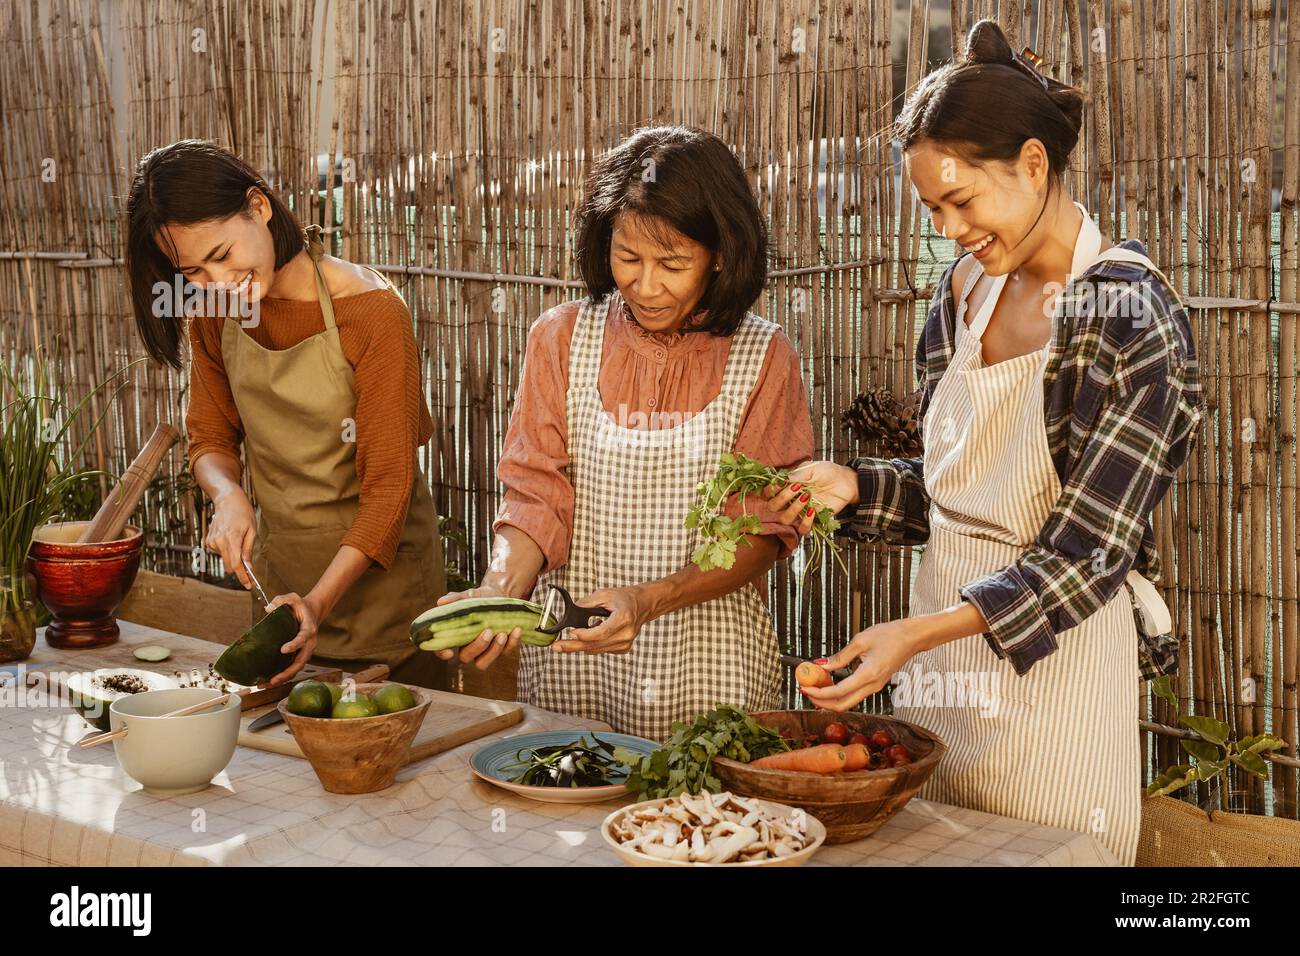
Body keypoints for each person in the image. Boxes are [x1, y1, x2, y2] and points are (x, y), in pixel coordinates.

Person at [767, 21, 1203, 865]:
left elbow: (1088, 553)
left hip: (1054, 678)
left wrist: (919, 635)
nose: (949, 228)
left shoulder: (1128, 318)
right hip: (941, 673)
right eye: (931, 207)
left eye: (960, 201)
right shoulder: (963, 289)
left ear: (1034, 164)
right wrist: (854, 488)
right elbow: (952, 495)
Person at [435, 126, 815, 740]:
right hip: (573, 661)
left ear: (719, 253)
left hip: (709, 665)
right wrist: (498, 591)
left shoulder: (764, 357)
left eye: (672, 263)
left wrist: (649, 598)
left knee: (702, 827)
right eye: (627, 257)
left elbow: (763, 531)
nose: (645, 285)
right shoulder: (561, 338)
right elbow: (536, 496)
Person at [125, 139, 446, 686]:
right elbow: (209, 441)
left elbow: (389, 489)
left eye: (223, 256)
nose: (218, 284)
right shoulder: (211, 313)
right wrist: (227, 496)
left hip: (385, 608)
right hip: (282, 603)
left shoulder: (371, 312)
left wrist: (316, 606)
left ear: (259, 207)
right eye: (193, 272)